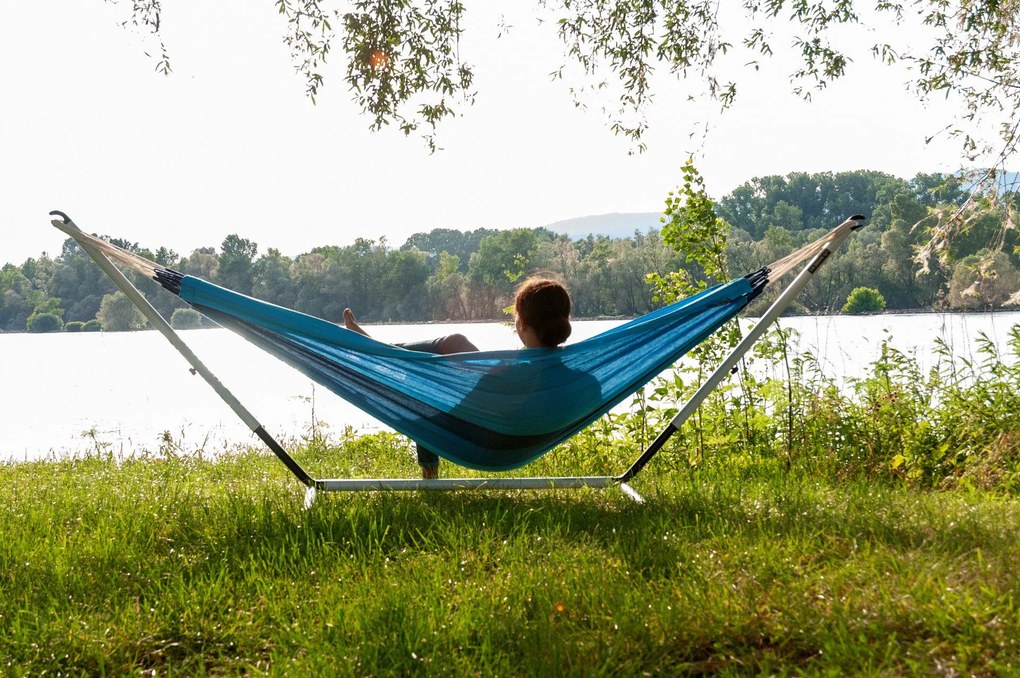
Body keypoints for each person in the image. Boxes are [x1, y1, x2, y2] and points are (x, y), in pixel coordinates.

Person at [342, 276, 575, 478]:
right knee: (451, 347)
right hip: (513, 442)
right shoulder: (581, 379)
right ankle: (385, 352)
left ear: (521, 323)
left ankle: (381, 352)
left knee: (425, 389)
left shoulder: (511, 371)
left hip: (479, 441)